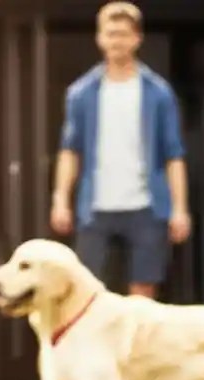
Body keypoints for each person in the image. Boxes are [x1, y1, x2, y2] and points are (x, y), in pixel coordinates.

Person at [50, 1, 191, 299]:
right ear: (100, 38)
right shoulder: (82, 93)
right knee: (85, 292)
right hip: (96, 207)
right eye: (110, 33)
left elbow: (173, 154)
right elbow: (70, 150)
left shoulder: (158, 92)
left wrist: (180, 208)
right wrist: (61, 199)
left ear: (137, 38)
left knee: (143, 292)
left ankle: (136, 348)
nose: (117, 40)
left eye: (123, 34)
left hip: (145, 206)